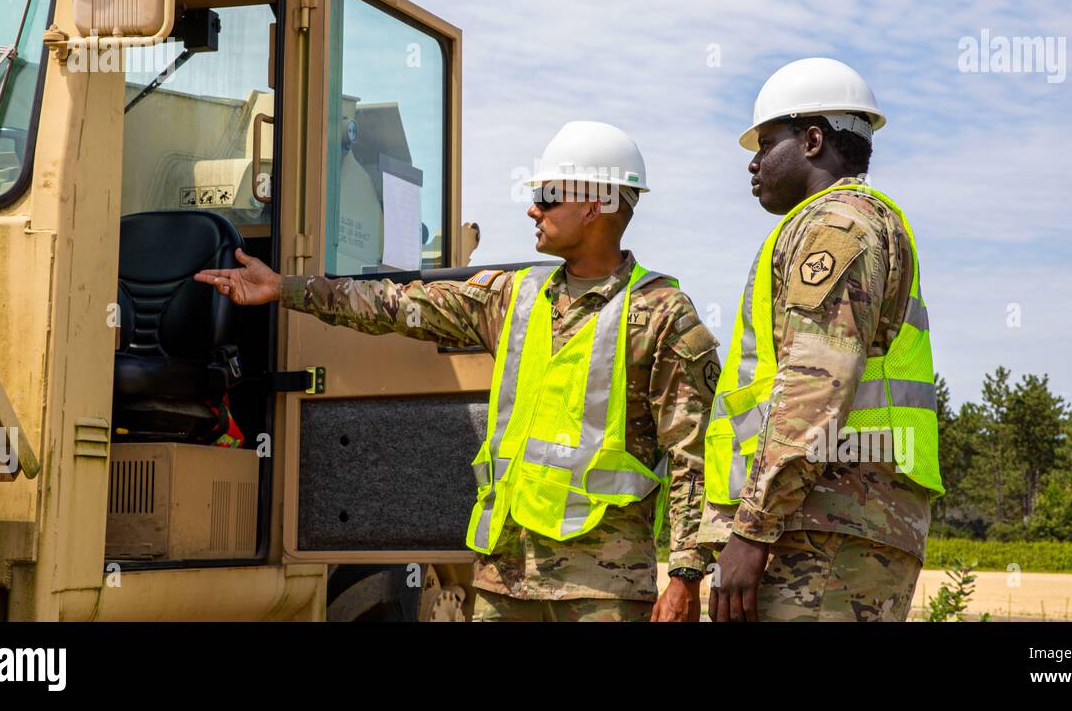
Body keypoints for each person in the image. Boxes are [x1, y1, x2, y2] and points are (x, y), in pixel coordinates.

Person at [197, 121, 720, 622]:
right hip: (502, 581)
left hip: (603, 589)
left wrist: (685, 576)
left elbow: (693, 452)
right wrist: (285, 288)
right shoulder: (514, 295)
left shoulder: (662, 314)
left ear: (595, 204)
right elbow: (393, 304)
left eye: (550, 196)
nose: (533, 209)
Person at [700, 58, 943, 622]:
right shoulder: (837, 224)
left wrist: (753, 530)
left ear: (813, 141)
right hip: (826, 523)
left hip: (821, 529)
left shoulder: (837, 227)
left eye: (765, 144)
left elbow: (817, 385)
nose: (754, 163)